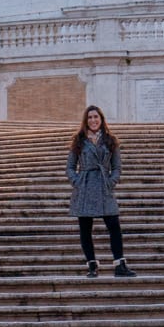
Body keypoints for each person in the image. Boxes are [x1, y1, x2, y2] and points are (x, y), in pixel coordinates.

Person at [67, 104, 133, 278]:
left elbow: (117, 166)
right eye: (90, 117)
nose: (93, 120)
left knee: (113, 225)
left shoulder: (111, 140)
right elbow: (70, 166)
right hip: (86, 185)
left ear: (101, 119)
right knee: (85, 228)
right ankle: (92, 266)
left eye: (96, 117)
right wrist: (77, 181)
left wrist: (111, 182)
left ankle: (120, 265)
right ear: (85, 121)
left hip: (104, 185)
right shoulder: (78, 141)